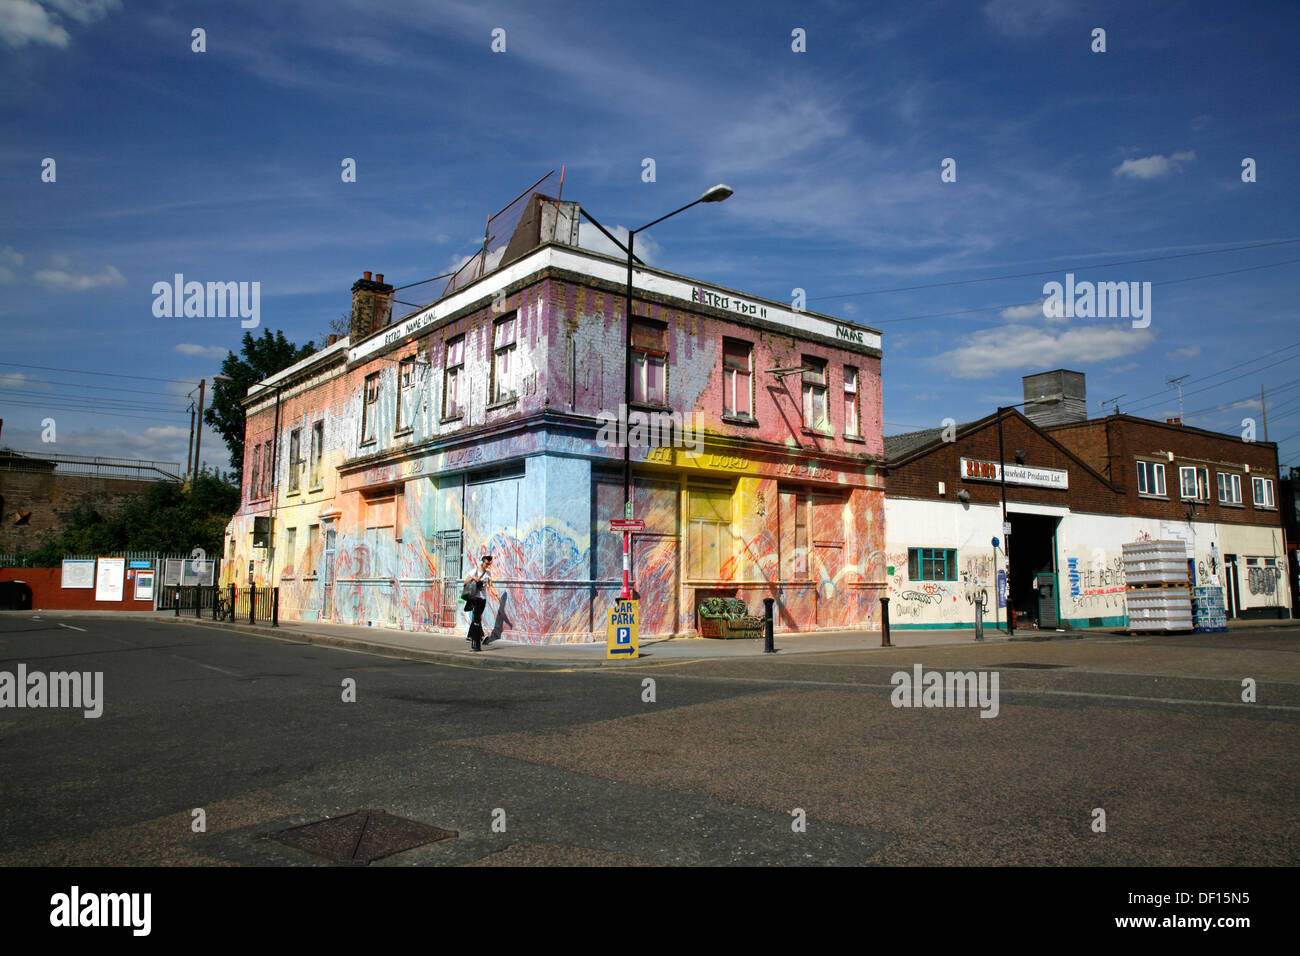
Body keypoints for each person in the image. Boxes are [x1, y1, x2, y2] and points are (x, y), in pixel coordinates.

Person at [464, 553, 492, 651]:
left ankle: (471, 635)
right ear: (482, 563)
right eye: (486, 564)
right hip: (475, 597)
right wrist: (473, 578)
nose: (487, 566)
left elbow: (491, 585)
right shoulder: (474, 571)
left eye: (489, 564)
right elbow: (465, 581)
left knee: (477, 617)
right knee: (476, 617)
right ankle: (480, 637)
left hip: (483, 599)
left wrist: (496, 594)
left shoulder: (488, 574)